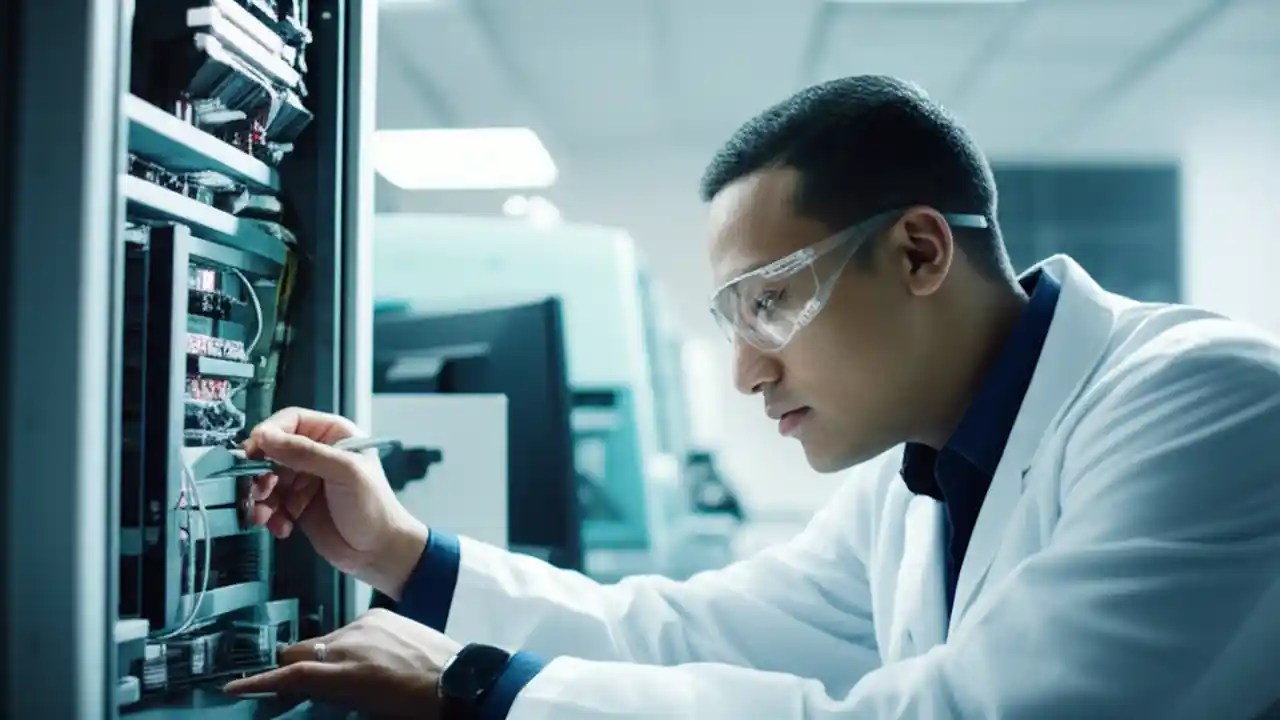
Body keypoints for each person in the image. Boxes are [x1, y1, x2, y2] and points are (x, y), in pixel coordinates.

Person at [224, 76, 1280, 719]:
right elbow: (693, 634)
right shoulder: (918, 477)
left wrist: (478, 691)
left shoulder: (1202, 404)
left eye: (770, 304)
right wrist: (399, 554)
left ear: (916, 250)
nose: (747, 371)